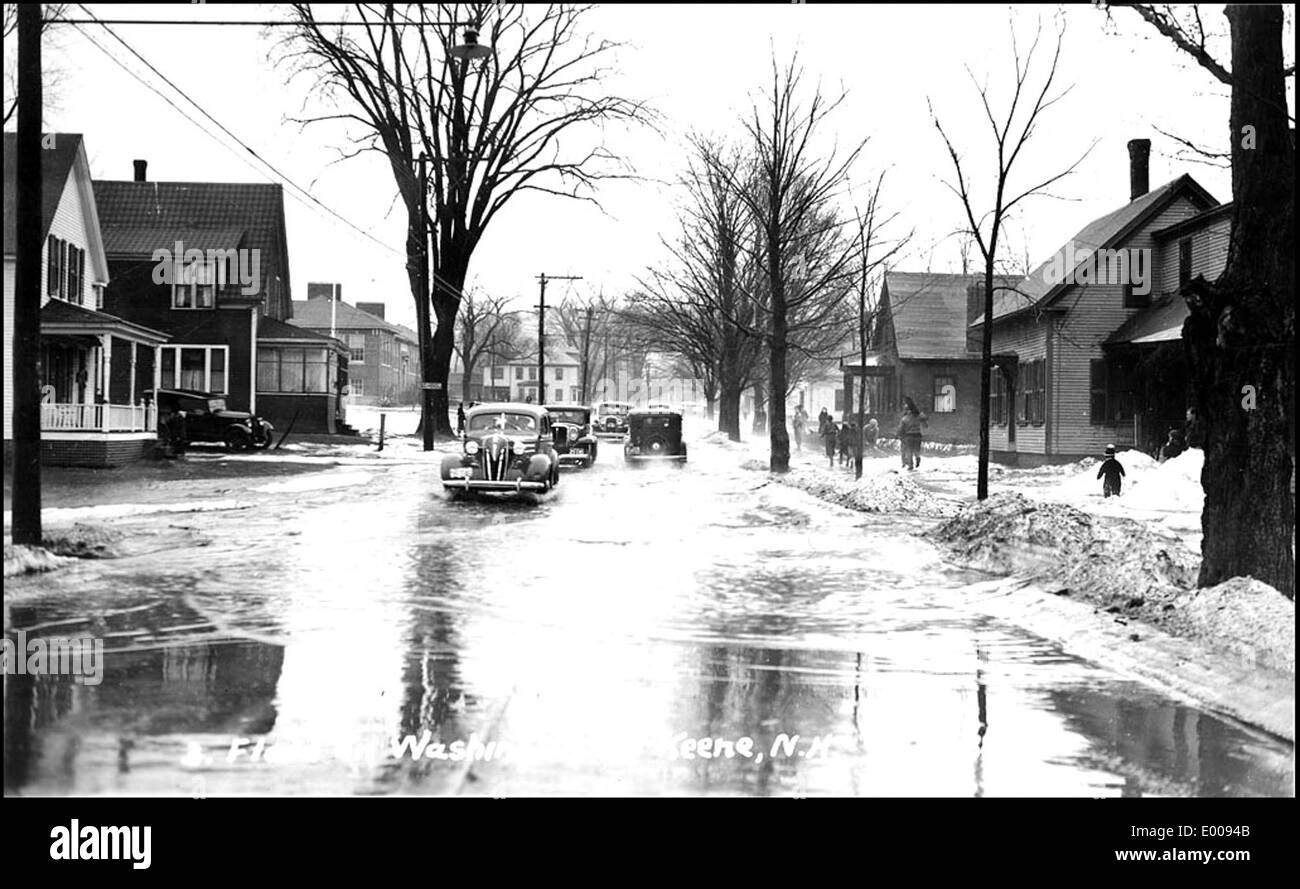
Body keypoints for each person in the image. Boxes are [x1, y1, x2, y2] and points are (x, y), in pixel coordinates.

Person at [897, 397, 927, 470]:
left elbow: (900, 429)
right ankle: (917, 457)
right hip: (918, 435)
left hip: (909, 436)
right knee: (917, 449)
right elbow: (925, 423)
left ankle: (910, 465)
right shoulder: (918, 416)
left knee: (909, 450)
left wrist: (900, 435)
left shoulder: (904, 419)